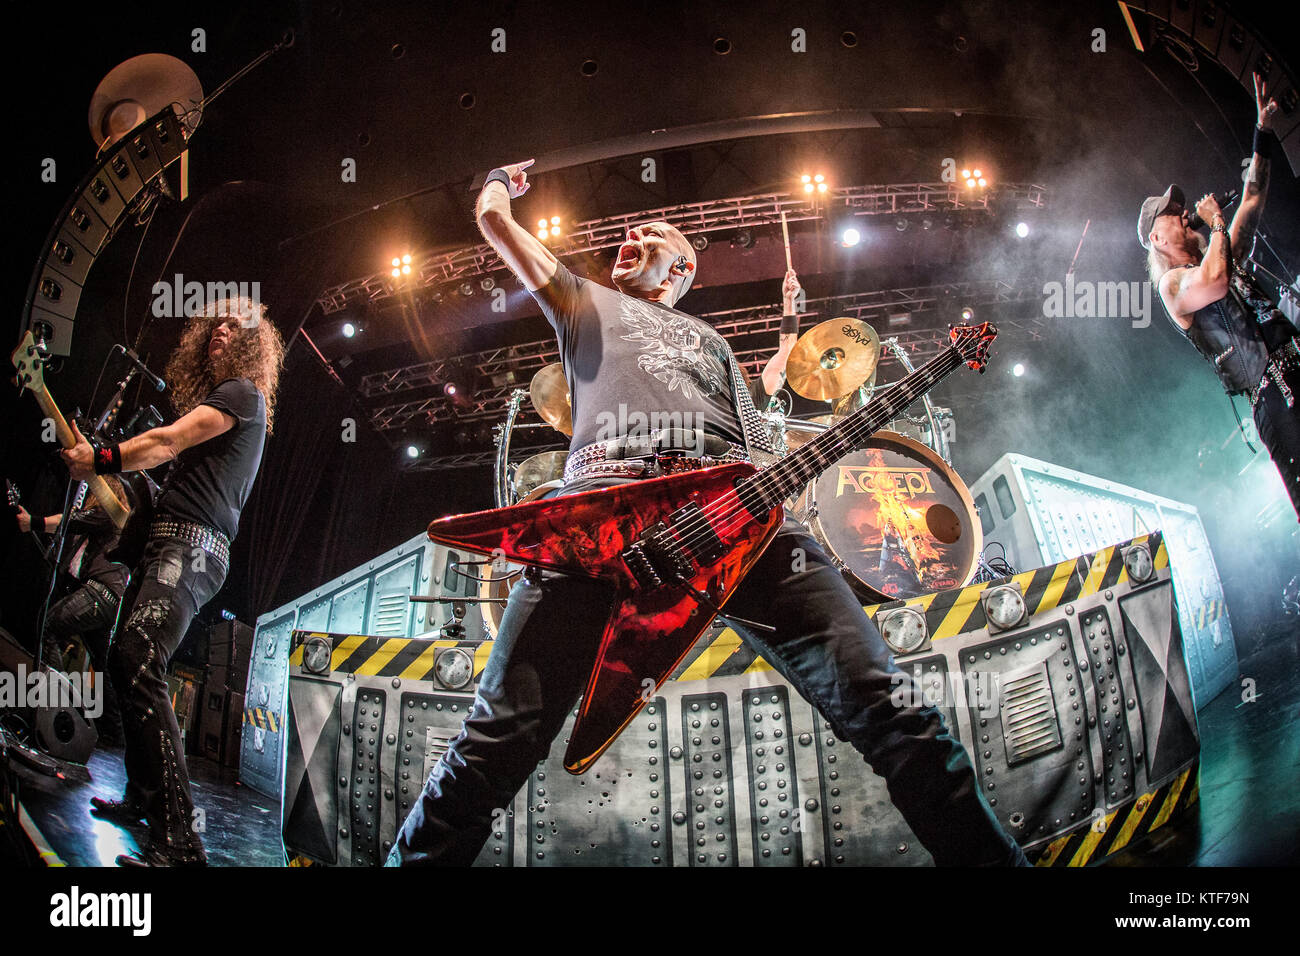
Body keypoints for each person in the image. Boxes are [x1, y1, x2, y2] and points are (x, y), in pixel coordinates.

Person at [387, 159, 1028, 867]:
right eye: (632, 228)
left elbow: (757, 439)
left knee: (892, 709)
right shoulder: (582, 300)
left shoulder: (716, 343)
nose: (630, 230)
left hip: (743, 526)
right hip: (602, 520)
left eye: (651, 231)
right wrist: (498, 182)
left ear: (681, 269)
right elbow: (492, 224)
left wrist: (773, 472)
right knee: (493, 745)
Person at [62, 298, 283, 866]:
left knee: (139, 658)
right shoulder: (228, 401)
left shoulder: (241, 394)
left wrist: (104, 458)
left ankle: (181, 840)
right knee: (122, 657)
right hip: (170, 543)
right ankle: (142, 797)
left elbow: (164, 443)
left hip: (192, 548)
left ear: (249, 346)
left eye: (235, 327)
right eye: (217, 323)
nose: (221, 331)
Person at [1140, 73, 1299, 518]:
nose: (1182, 214)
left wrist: (1262, 132)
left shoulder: (1218, 251)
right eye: (1172, 215)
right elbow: (1214, 282)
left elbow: (1253, 197)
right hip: (1276, 397)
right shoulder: (1172, 285)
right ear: (1157, 237)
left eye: (1180, 208)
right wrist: (1214, 225)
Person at [15, 478, 131, 745]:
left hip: (100, 592)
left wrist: (34, 522)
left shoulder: (108, 510)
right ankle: (115, 734)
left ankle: (58, 708)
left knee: (48, 626)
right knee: (103, 666)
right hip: (108, 597)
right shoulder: (105, 526)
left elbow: (72, 519)